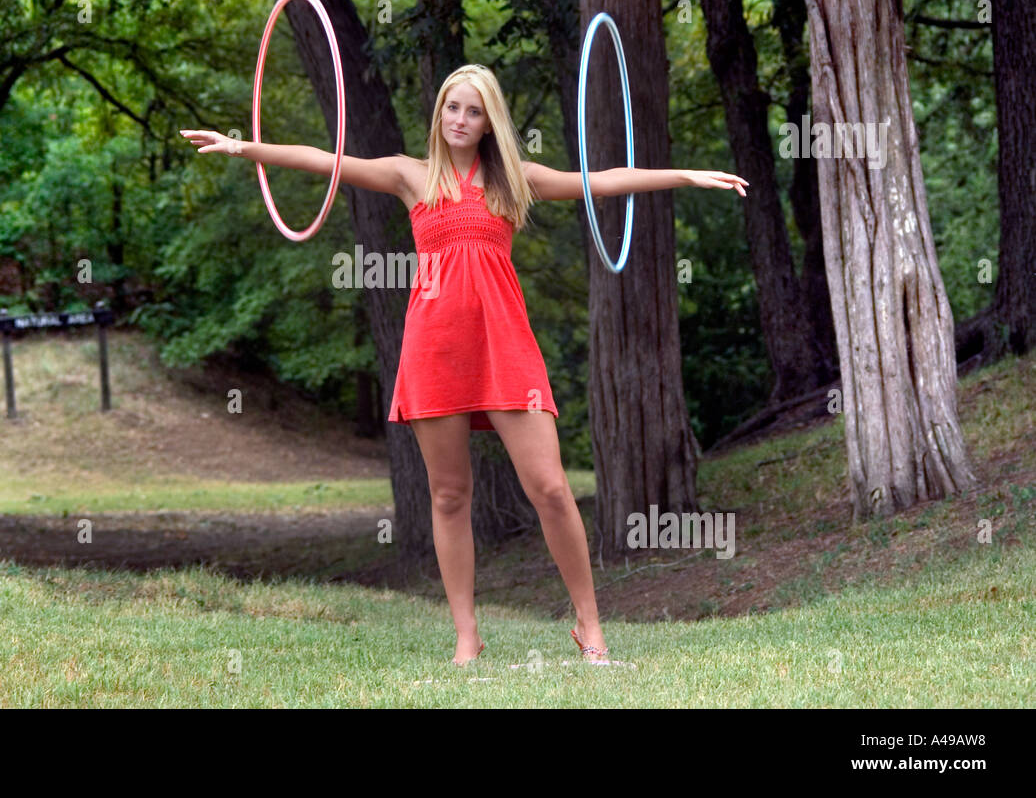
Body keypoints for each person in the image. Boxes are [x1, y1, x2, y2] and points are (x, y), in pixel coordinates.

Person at [180, 63, 747, 667]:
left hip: (504, 345)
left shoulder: (515, 182)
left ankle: (590, 628)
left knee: (552, 489)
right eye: (453, 107)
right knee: (449, 495)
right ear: (439, 112)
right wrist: (243, 146)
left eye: (473, 111)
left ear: (488, 123)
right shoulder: (410, 175)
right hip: (435, 348)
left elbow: (602, 181)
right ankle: (467, 637)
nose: (460, 119)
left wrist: (686, 174)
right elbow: (326, 159)